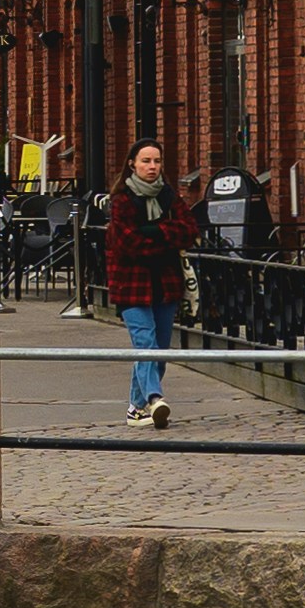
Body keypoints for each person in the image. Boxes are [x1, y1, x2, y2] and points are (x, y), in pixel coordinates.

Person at [105, 140, 178, 427]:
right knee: (145, 343)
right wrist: (163, 237)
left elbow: (187, 230)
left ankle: (136, 409)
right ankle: (154, 398)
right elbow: (128, 243)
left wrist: (155, 234)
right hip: (131, 286)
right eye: (146, 160)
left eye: (157, 161)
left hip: (165, 285)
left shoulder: (170, 197)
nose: (152, 166)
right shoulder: (122, 201)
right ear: (132, 163)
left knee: (158, 352)